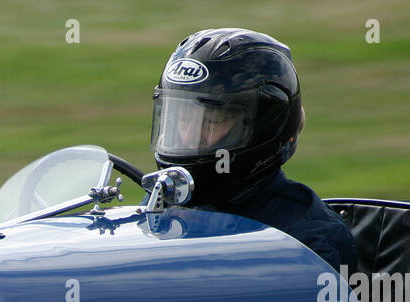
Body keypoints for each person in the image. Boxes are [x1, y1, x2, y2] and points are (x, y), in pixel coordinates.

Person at [150, 27, 359, 272]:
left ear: (265, 126)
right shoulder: (162, 203)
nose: (188, 137)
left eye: (213, 120)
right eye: (182, 118)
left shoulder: (309, 241)